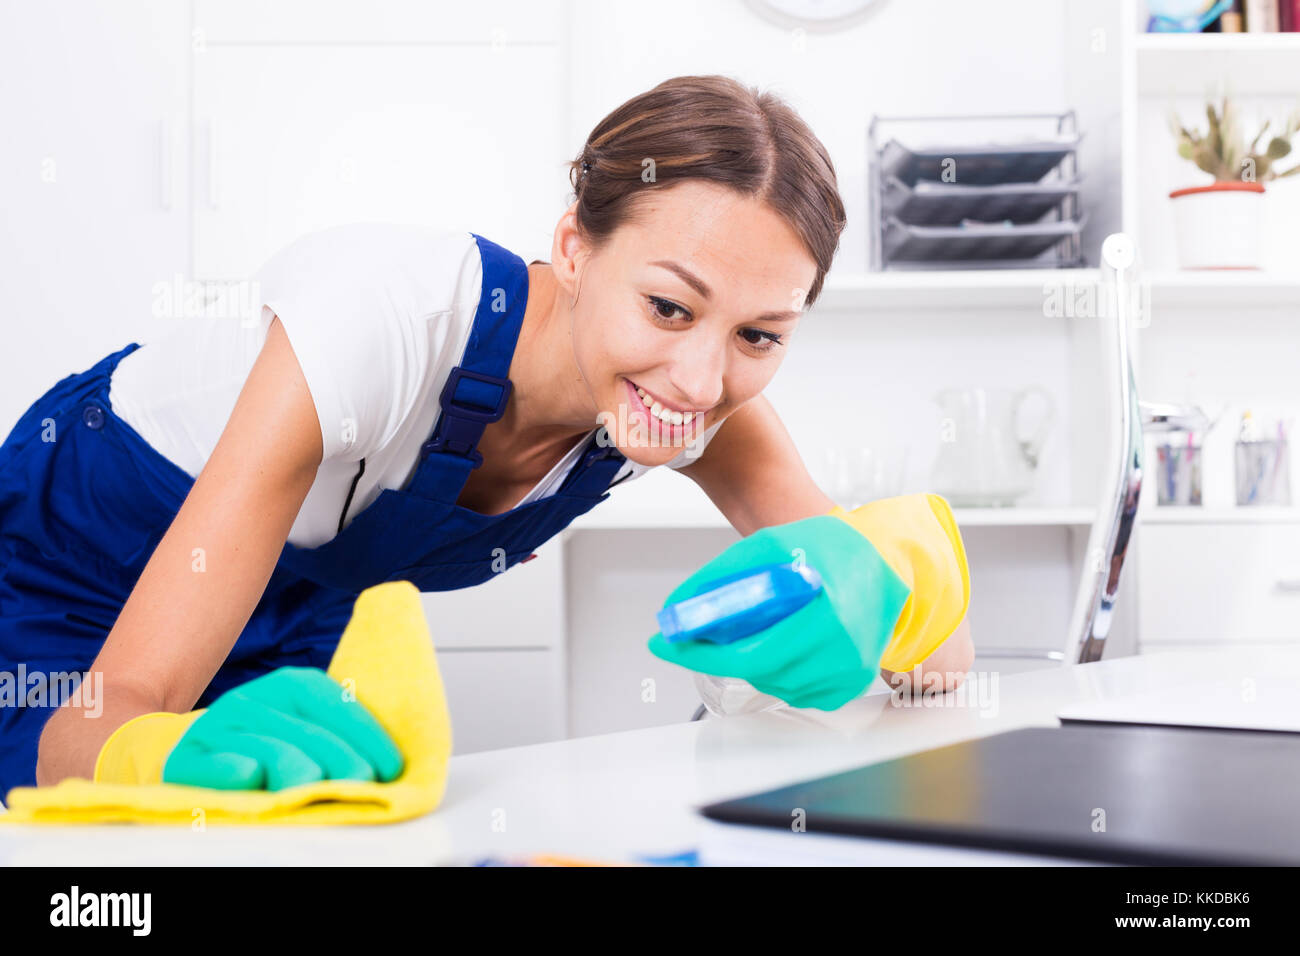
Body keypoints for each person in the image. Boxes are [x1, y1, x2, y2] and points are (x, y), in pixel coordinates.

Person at [0, 74, 972, 798]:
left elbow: (940, 665)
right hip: (84, 546)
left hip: (302, 595)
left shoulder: (698, 405)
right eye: (669, 305)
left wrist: (897, 573)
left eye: (759, 334)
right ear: (574, 247)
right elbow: (90, 726)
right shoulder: (375, 322)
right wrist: (143, 746)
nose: (704, 381)